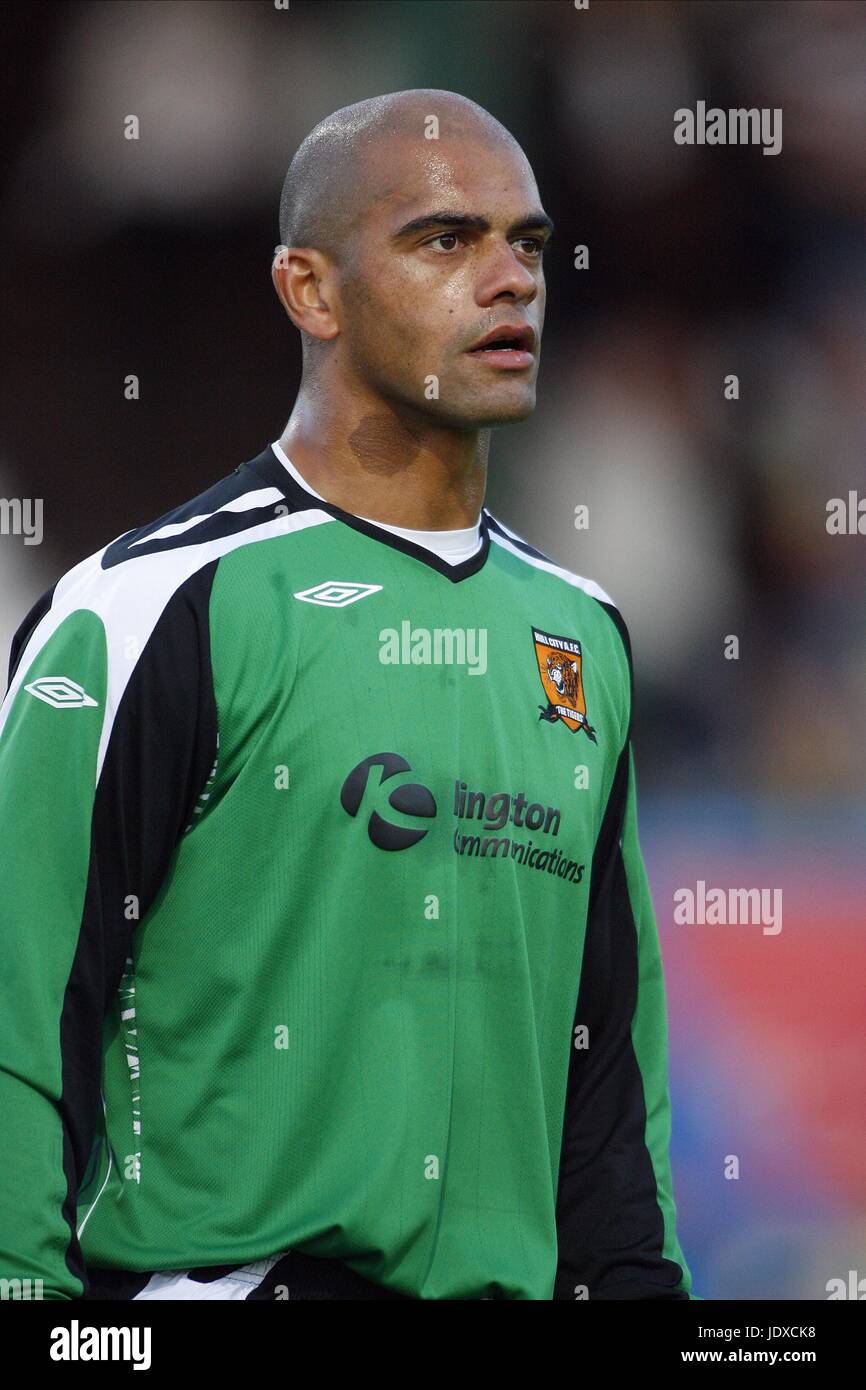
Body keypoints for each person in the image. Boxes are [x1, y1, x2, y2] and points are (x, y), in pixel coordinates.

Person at [0, 89, 696, 1301]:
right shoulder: (149, 610)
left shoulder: (582, 635)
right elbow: (15, 1021)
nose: (509, 281)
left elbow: (606, 1093)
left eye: (525, 244)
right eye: (445, 240)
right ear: (308, 290)